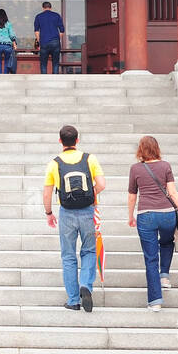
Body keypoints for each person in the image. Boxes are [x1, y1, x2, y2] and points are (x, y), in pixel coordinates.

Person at [43, 125, 105, 312]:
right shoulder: (89, 159)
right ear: (77, 140)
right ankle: (85, 284)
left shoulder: (54, 163)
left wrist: (48, 213)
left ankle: (73, 300)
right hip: (87, 211)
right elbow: (102, 184)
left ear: (60, 141)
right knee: (89, 251)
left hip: (66, 213)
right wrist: (88, 193)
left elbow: (47, 193)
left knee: (68, 256)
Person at [127, 135, 178, 310]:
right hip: (167, 215)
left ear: (140, 150)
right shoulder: (165, 166)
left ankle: (155, 301)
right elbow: (172, 192)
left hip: (145, 215)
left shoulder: (135, 169)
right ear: (157, 148)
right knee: (166, 242)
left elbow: (132, 196)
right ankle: (164, 276)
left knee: (150, 258)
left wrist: (130, 216)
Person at [33, 1, 65, 74]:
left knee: (43, 64)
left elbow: (36, 31)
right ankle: (55, 81)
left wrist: (39, 41)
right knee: (55, 63)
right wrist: (57, 38)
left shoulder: (39, 16)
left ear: (43, 8)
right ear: (51, 8)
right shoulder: (57, 15)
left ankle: (44, 81)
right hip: (55, 42)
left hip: (44, 42)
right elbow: (62, 30)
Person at [0, 8, 16, 74]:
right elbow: (12, 35)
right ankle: (5, 75)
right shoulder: (8, 24)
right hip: (8, 45)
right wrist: (14, 44)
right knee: (7, 61)